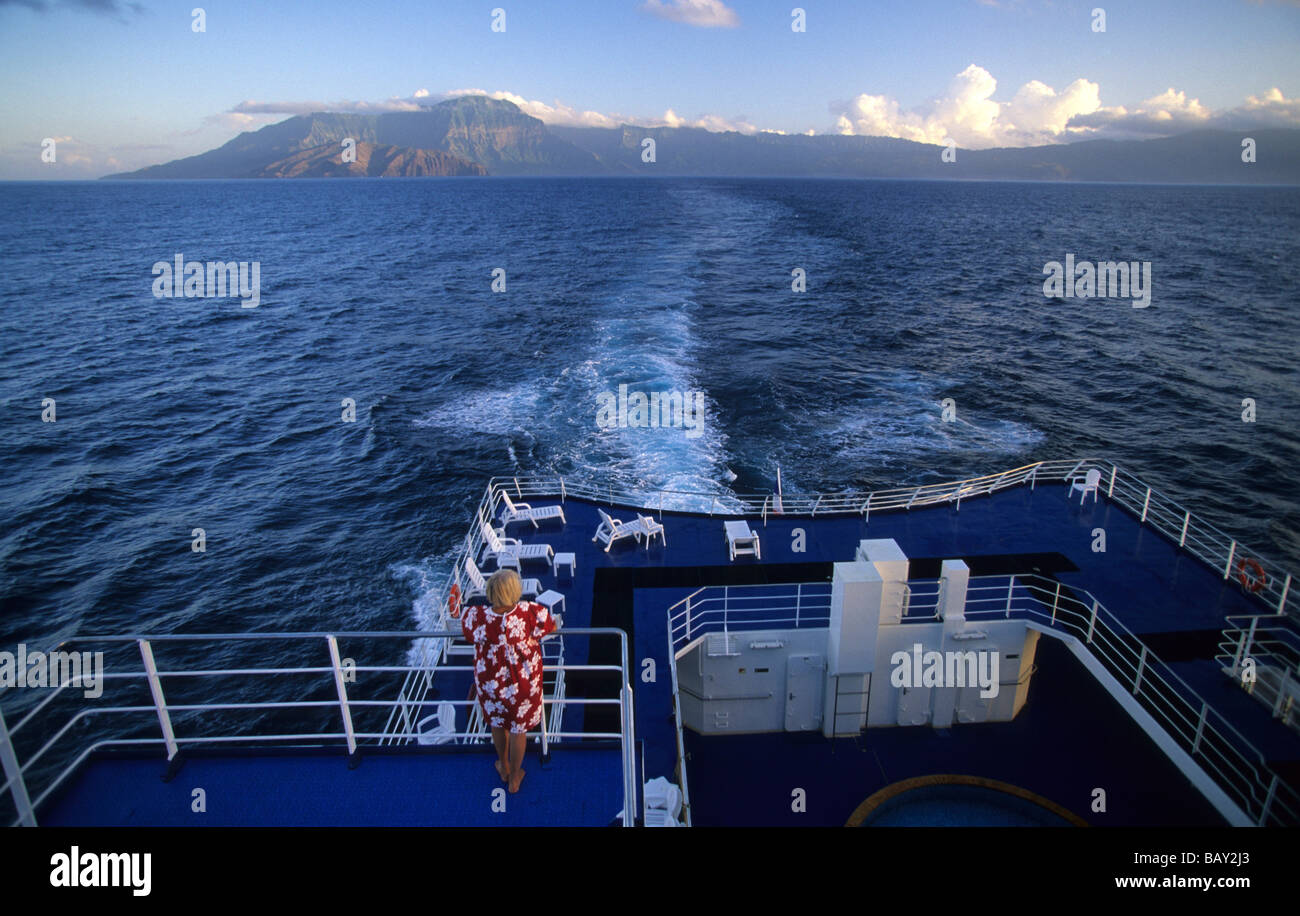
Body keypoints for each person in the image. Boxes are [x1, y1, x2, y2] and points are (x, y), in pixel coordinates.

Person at [450, 568, 557, 793]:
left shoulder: (478, 617)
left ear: (490, 593)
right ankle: (515, 777)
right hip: (523, 684)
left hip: (492, 685)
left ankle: (504, 765)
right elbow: (550, 626)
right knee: (519, 730)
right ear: (515, 591)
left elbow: (464, 626)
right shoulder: (530, 612)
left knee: (497, 724)